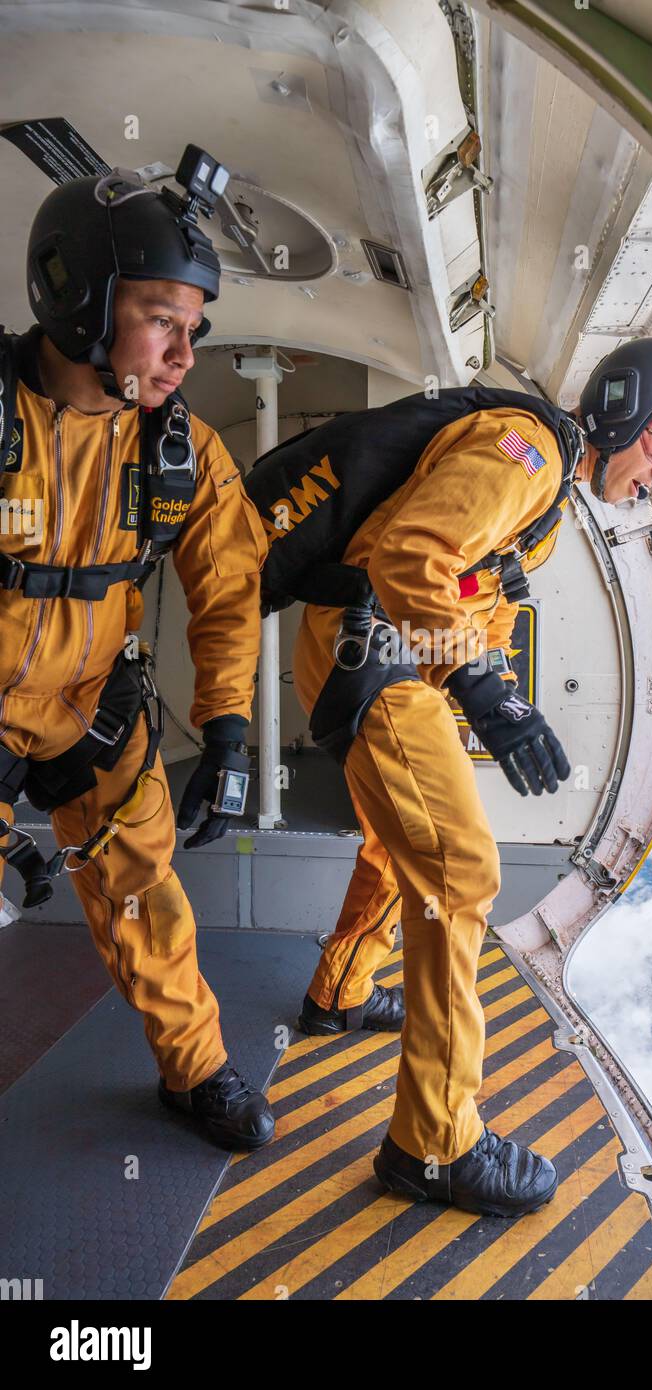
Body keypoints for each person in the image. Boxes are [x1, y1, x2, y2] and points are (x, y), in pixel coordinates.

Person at [253, 339, 652, 1217]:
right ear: (624, 414)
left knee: (399, 839)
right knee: (461, 873)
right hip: (372, 656)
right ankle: (434, 1147)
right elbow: (411, 557)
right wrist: (484, 689)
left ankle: (338, 991)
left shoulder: (551, 484)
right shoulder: (526, 455)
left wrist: (499, 692)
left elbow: (470, 587)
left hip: (382, 655)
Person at [0, 159, 275, 1151]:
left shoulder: (181, 452)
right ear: (78, 298)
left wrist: (231, 734)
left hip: (92, 707)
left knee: (145, 893)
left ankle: (194, 1068)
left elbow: (228, 591)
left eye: (191, 331)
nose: (181, 356)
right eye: (161, 319)